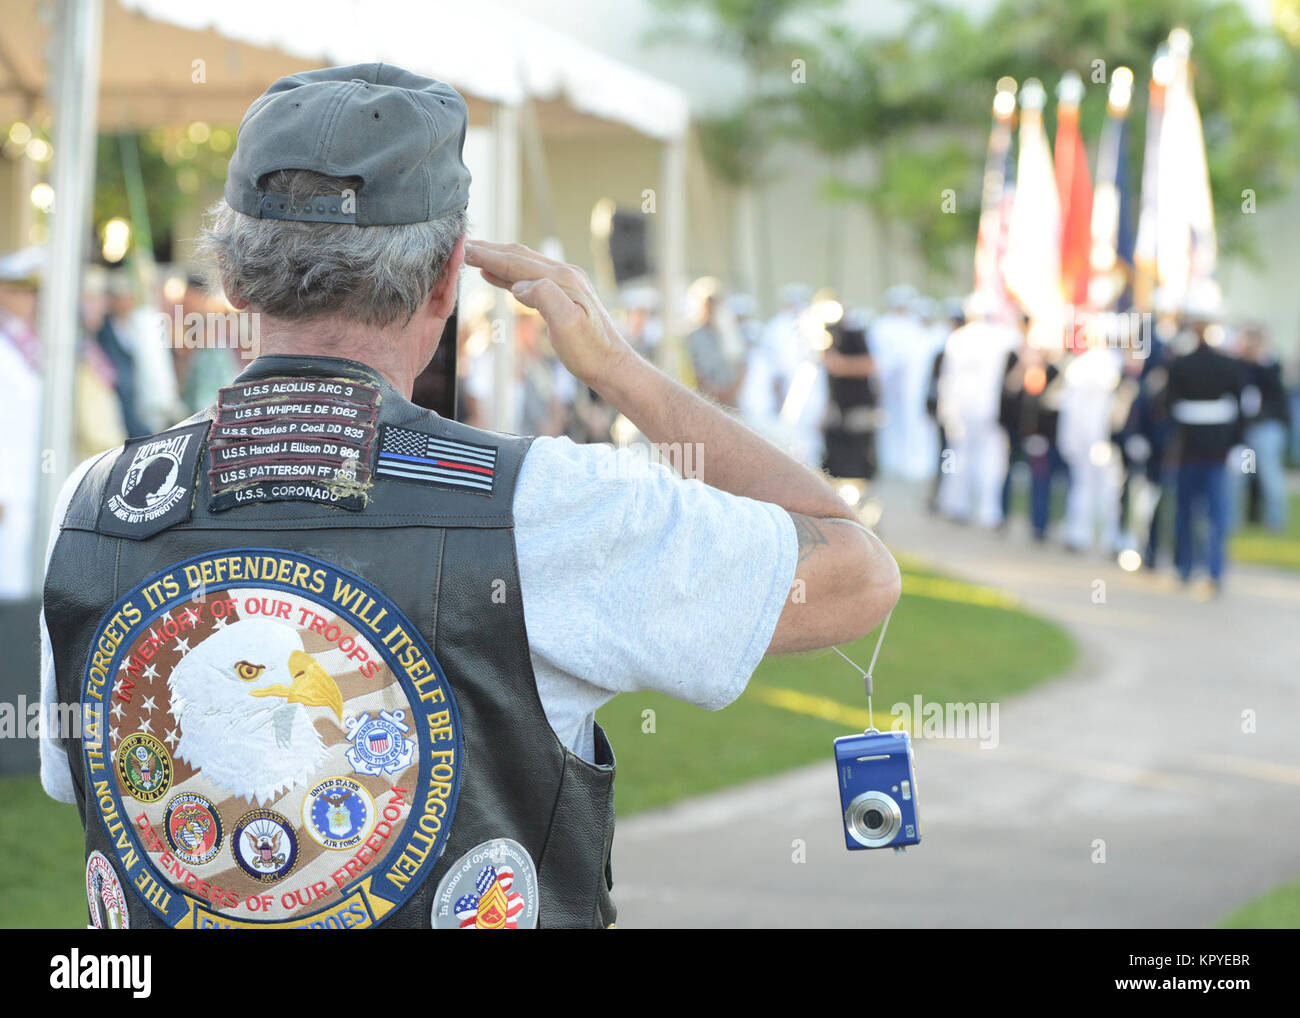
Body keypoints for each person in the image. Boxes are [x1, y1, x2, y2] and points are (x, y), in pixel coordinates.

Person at [38, 63, 900, 931]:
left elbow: (94, 792)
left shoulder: (98, 501)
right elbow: (855, 570)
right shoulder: (553, 504)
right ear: (449, 280)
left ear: (230, 274)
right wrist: (617, 368)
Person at [1164, 316, 1245, 591]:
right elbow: (1241, 407)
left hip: (1191, 450)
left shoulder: (1180, 366)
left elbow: (1168, 406)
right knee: (1214, 514)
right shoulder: (1227, 366)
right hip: (1215, 450)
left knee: (1188, 512)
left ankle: (1187, 568)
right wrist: (1237, 443)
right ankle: (1212, 570)